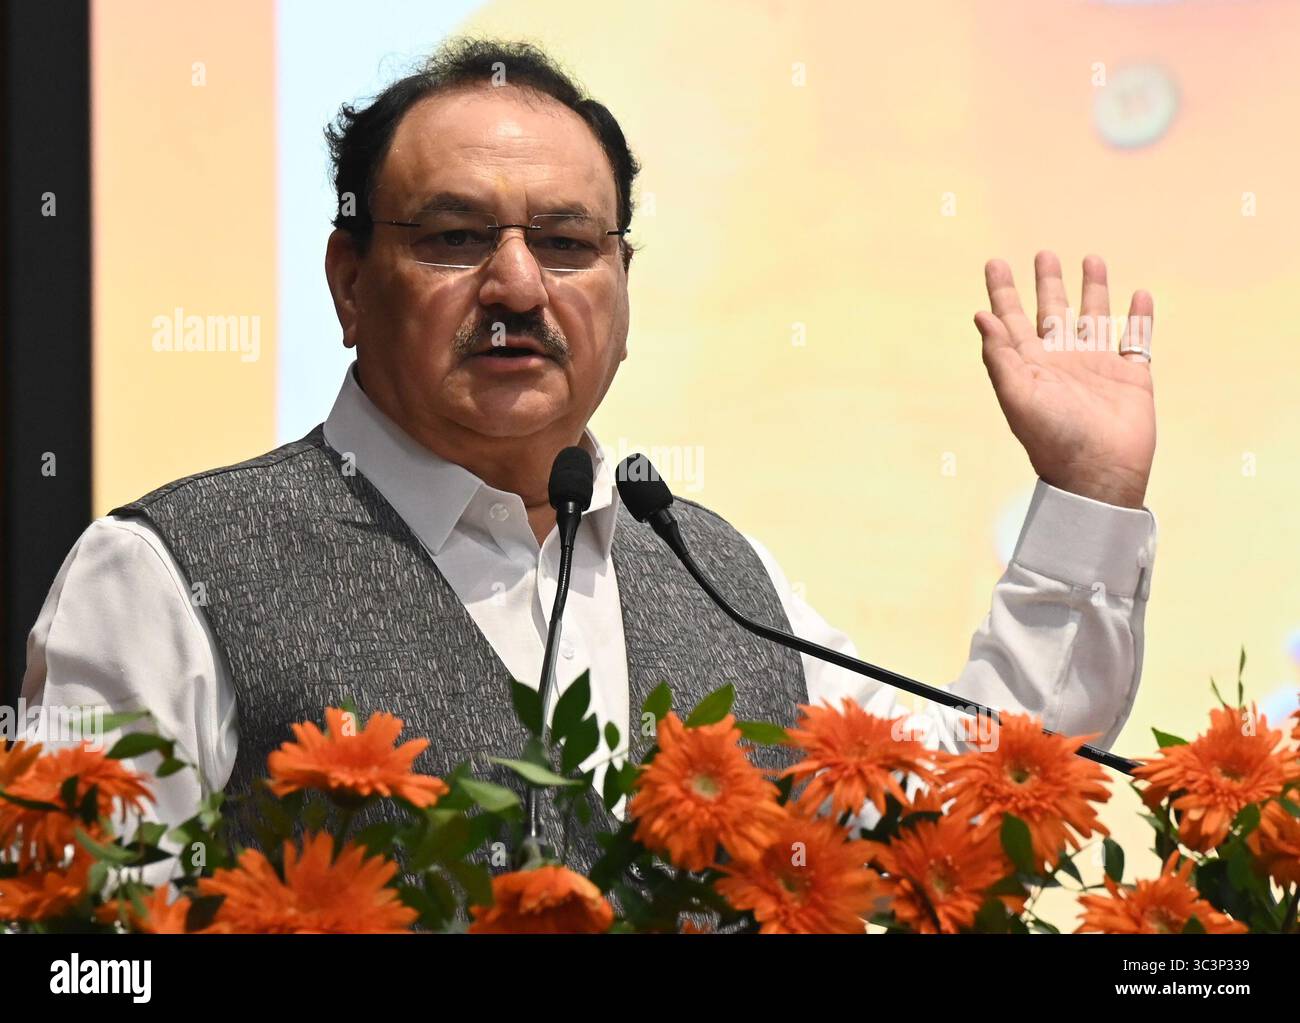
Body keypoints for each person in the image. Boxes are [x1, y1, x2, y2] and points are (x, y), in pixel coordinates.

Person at [21, 38, 1157, 870]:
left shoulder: (719, 577)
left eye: (566, 243)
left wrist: (1088, 495)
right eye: (456, 237)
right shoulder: (165, 571)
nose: (516, 286)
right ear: (349, 282)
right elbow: (78, 948)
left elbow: (969, 808)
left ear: (621, 292)